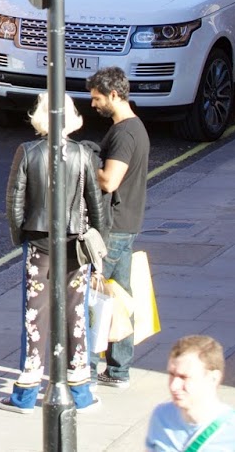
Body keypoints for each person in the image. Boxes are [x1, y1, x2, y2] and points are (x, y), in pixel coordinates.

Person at [0, 93, 106, 414]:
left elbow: (14, 201)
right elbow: (95, 202)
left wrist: (21, 236)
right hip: (75, 246)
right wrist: (100, 243)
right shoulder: (83, 154)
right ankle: (81, 394)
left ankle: (25, 396)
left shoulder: (27, 152)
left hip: (39, 245)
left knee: (34, 318)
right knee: (76, 317)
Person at [85, 68, 147, 390]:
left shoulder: (124, 134)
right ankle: (119, 370)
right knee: (120, 296)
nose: (93, 104)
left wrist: (84, 164)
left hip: (114, 228)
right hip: (126, 223)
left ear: (113, 95)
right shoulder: (132, 127)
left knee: (92, 297)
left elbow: (110, 181)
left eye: (97, 98)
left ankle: (86, 371)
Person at [146, 335, 235, 451]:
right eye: (171, 375)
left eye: (184, 377)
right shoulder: (161, 417)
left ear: (213, 378)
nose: (174, 386)